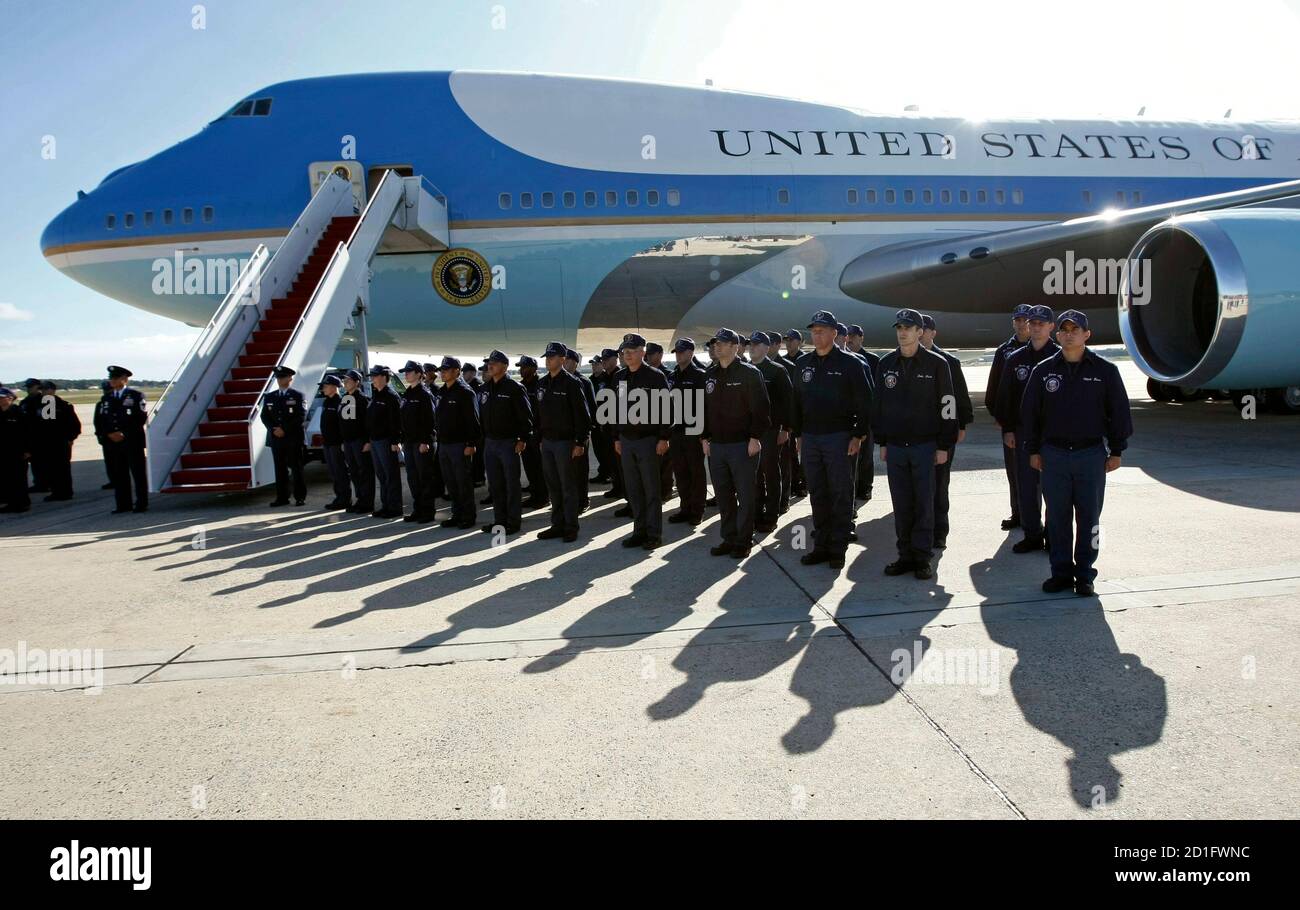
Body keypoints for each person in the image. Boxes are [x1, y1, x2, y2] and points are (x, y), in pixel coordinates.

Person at [1022, 310, 1133, 597]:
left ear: (1087, 334)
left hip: (1090, 456)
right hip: (1054, 456)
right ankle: (1060, 573)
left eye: (1075, 329)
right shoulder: (1043, 371)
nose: (1069, 333)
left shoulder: (1105, 371)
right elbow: (1030, 415)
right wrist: (1033, 450)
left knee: (1090, 519)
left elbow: (1119, 413)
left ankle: (1085, 574)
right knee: (1057, 519)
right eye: (1064, 329)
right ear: (1057, 334)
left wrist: (1117, 450)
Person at [872, 309, 959, 580]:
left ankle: (922, 558)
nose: (902, 332)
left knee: (924, 503)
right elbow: (879, 406)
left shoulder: (937, 364)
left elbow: (948, 406)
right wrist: (882, 441)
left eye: (908, 327)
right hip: (896, 447)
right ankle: (905, 555)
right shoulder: (886, 363)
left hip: (925, 446)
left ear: (920, 332)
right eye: (899, 327)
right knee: (902, 503)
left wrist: (944, 445)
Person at [791, 313, 873, 571]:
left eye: (822, 330)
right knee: (817, 492)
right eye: (814, 330)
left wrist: (858, 435)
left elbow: (867, 402)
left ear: (834, 333)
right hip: (812, 438)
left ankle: (838, 548)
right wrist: (799, 435)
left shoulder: (851, 363)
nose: (817, 335)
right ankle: (821, 545)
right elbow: (797, 402)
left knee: (840, 492)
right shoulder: (804, 363)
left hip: (839, 437)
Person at [995, 305, 1060, 553]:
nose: (1035, 327)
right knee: (1026, 486)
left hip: (1053, 435)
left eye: (1041, 323)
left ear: (1051, 327)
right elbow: (1005, 399)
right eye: (1032, 323)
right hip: (1023, 434)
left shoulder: (1061, 356)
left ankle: (1054, 537)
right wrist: (1008, 430)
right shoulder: (1015, 359)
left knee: (1054, 488)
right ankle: (1032, 534)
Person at [703, 328, 770, 558]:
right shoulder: (710, 375)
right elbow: (703, 409)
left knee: (745, 494)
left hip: (742, 445)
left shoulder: (749, 373)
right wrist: (704, 437)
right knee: (723, 495)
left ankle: (743, 541)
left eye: (722, 343)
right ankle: (729, 538)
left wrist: (755, 438)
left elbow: (761, 409)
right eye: (715, 343)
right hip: (717, 446)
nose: (717, 346)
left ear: (735, 347)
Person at [611, 333, 672, 550]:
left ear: (642, 353)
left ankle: (654, 534)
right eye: (624, 352)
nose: (626, 355)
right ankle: (639, 531)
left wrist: (664, 438)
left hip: (648, 441)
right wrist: (617, 437)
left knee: (651, 490)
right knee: (634, 490)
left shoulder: (655, 377)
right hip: (626, 441)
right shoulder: (619, 378)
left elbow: (667, 409)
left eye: (631, 351)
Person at [920, 314, 974, 549]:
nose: (921, 335)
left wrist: (961, 425)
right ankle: (919, 530)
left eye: (925, 330)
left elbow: (959, 397)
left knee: (940, 485)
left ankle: (939, 532)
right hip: (916, 435)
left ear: (933, 333)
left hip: (942, 434)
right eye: (917, 330)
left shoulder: (948, 362)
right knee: (918, 486)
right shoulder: (906, 359)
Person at [536, 342, 591, 542]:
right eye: (547, 357)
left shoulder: (572, 383)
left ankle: (570, 526)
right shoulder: (542, 383)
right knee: (553, 486)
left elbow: (582, 416)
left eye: (552, 356)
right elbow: (539, 415)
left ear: (562, 359)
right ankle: (557, 524)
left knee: (568, 487)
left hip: (566, 442)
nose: (548, 360)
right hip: (548, 442)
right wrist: (540, 438)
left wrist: (580, 442)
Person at [986, 304, 1032, 530]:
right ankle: (1018, 514)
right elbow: (995, 386)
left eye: (1025, 319)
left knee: (1040, 475)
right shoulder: (1004, 351)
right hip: (1013, 423)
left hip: (1039, 423)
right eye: (1018, 319)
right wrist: (999, 416)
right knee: (1014, 472)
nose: (1021, 323)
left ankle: (1037, 520)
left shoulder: (1049, 349)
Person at [479, 349, 533, 535]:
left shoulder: (514, 388)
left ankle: (513, 522)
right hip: (490, 443)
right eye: (488, 363)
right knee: (495, 485)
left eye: (493, 362)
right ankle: (499, 521)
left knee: (511, 484)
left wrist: (523, 438)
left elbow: (526, 417)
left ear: (504, 366)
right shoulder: (484, 389)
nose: (489, 366)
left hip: (508, 443)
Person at [748, 331, 791, 534]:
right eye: (750, 345)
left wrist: (785, 429)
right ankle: (756, 512)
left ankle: (772, 514)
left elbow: (787, 402)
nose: (752, 348)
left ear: (766, 348)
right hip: (750, 431)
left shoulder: (777, 370)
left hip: (771, 430)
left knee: (770, 472)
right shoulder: (745, 370)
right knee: (753, 474)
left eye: (756, 345)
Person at [95, 365, 149, 514]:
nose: (112, 381)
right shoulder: (107, 398)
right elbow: (103, 419)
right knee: (119, 474)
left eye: (115, 378)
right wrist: (109, 434)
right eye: (110, 378)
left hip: (132, 441)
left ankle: (141, 503)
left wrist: (124, 433)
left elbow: (140, 418)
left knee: (138, 473)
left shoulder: (136, 396)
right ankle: (123, 504)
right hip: (114, 443)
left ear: (124, 380)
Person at [434, 356, 480, 529]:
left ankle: (468, 516)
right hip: (445, 444)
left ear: (457, 371)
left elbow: (473, 421)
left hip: (460, 445)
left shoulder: (465, 392)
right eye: (442, 370)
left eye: (446, 370)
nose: (442, 373)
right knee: (451, 483)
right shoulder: (442, 392)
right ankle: (457, 513)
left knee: (463, 482)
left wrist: (471, 443)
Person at [667, 338, 707, 526]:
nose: (679, 355)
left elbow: (706, 406)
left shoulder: (699, 375)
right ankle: (685, 508)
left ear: (691, 353)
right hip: (676, 432)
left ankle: (697, 511)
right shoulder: (673, 375)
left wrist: (704, 433)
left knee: (696, 473)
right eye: (677, 352)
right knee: (680, 472)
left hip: (693, 432)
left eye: (682, 352)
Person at [260, 366, 307, 506]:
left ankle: (299, 497)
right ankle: (282, 497)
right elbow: (264, 416)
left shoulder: (298, 396)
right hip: (276, 439)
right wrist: (273, 429)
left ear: (290, 378)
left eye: (282, 377)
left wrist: (284, 429)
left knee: (296, 468)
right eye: (278, 377)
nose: (280, 380)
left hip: (292, 438)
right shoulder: (270, 396)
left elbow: (301, 416)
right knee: (280, 469)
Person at [845, 325, 880, 503]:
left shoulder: (872, 360)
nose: (850, 339)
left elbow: (877, 391)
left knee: (866, 455)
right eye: (848, 335)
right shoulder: (845, 360)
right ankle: (852, 488)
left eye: (853, 336)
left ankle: (865, 487)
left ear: (861, 338)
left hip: (868, 416)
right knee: (851, 457)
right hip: (851, 417)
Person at [399, 361, 438, 523]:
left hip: (421, 443)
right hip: (409, 442)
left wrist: (425, 441)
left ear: (418, 374)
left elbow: (431, 420)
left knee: (425, 478)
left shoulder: (424, 394)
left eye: (409, 372)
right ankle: (418, 509)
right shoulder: (407, 394)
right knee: (413, 478)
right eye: (405, 372)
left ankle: (427, 511)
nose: (406, 374)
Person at [32, 380, 81, 502]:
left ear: (52, 390)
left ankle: (64, 492)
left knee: (61, 468)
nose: (42, 392)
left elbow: (75, 425)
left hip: (60, 443)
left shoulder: (63, 405)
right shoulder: (41, 405)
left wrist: (70, 439)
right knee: (51, 468)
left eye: (44, 389)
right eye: (41, 390)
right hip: (47, 444)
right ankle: (57, 491)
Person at [366, 364, 404, 518]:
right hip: (375, 440)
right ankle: (385, 504)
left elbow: (396, 421)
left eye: (375, 376)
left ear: (383, 377)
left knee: (390, 475)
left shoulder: (391, 396)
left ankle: (394, 507)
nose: (373, 380)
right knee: (381, 475)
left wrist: (396, 441)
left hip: (386, 441)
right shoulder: (376, 395)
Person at [338, 369, 375, 514]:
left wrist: (367, 441)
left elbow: (368, 423)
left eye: (348, 380)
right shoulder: (345, 398)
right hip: (348, 442)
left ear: (356, 382)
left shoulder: (362, 400)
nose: (345, 383)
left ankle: (367, 502)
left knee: (364, 472)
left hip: (360, 441)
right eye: (344, 381)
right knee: (354, 472)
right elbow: (342, 422)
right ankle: (360, 500)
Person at [515, 355, 549, 509]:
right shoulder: (520, 387)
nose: (521, 370)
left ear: (534, 369)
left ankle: (543, 497)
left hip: (539, 433)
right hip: (525, 434)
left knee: (540, 468)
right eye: (520, 367)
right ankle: (535, 495)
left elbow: (546, 412)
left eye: (525, 367)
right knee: (529, 467)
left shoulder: (542, 385)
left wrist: (542, 434)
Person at [564, 348, 596, 511]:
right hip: (564, 435)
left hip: (579, 434)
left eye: (568, 360)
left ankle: (583, 501)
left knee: (580, 470)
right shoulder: (560, 380)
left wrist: (584, 434)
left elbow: (591, 408)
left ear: (575, 363)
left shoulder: (583, 382)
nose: (564, 363)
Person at [646, 342, 676, 501]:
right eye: (647, 355)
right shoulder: (647, 374)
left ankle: (666, 491)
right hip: (650, 425)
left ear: (659, 354)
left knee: (666, 464)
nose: (648, 357)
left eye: (651, 354)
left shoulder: (667, 374)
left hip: (664, 426)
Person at [318, 374, 352, 510]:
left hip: (337, 443)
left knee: (340, 471)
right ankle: (339, 497)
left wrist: (344, 442)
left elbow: (346, 424)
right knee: (333, 472)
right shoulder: (326, 402)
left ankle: (345, 499)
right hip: (328, 443)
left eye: (325, 386)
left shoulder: (342, 402)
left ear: (334, 387)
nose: (323, 389)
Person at [782, 331, 808, 497]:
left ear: (799, 342)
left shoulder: (805, 361)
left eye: (791, 340)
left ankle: (804, 484)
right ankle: (793, 483)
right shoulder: (784, 362)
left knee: (804, 453)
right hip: (789, 414)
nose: (788, 343)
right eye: (786, 340)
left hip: (803, 414)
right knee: (790, 453)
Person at [0, 388, 32, 513]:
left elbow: (29, 433)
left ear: (10, 398)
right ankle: (11, 502)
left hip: (18, 452)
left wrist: (28, 450)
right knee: (6, 478)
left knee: (18, 479)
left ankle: (22, 504)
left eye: (2, 397)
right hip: (3, 452)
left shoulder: (19, 413)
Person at [19, 379, 46, 494]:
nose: (28, 389)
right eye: (28, 387)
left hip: (41, 436)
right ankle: (39, 483)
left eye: (31, 386)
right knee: (34, 462)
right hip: (29, 436)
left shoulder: (45, 401)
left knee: (43, 462)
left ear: (38, 387)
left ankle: (45, 483)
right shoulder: (25, 402)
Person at [463, 362, 486, 487]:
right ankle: (475, 477)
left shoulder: (477, 386)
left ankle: (478, 478)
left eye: (465, 372)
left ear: (472, 373)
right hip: (474, 425)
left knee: (478, 456)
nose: (463, 374)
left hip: (479, 426)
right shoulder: (468, 386)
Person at [96, 380, 115, 489]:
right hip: (106, 437)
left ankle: (119, 480)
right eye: (105, 390)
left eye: (108, 389)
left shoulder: (118, 402)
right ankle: (112, 480)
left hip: (118, 437)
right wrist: (99, 435)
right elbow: (97, 421)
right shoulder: (100, 404)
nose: (106, 392)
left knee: (119, 461)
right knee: (109, 461)